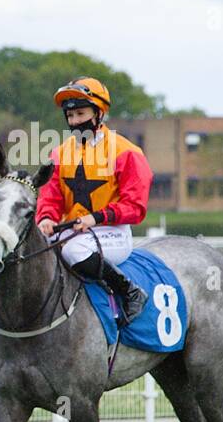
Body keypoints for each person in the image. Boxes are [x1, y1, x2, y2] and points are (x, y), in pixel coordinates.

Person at [36, 77, 153, 323]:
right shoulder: (59, 153)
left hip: (112, 232)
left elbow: (135, 206)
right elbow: (50, 196)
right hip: (71, 229)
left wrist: (96, 217)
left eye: (81, 113)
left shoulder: (126, 152)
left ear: (99, 113)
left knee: (74, 250)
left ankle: (130, 291)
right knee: (34, 246)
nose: (75, 121)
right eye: (70, 116)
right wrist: (46, 217)